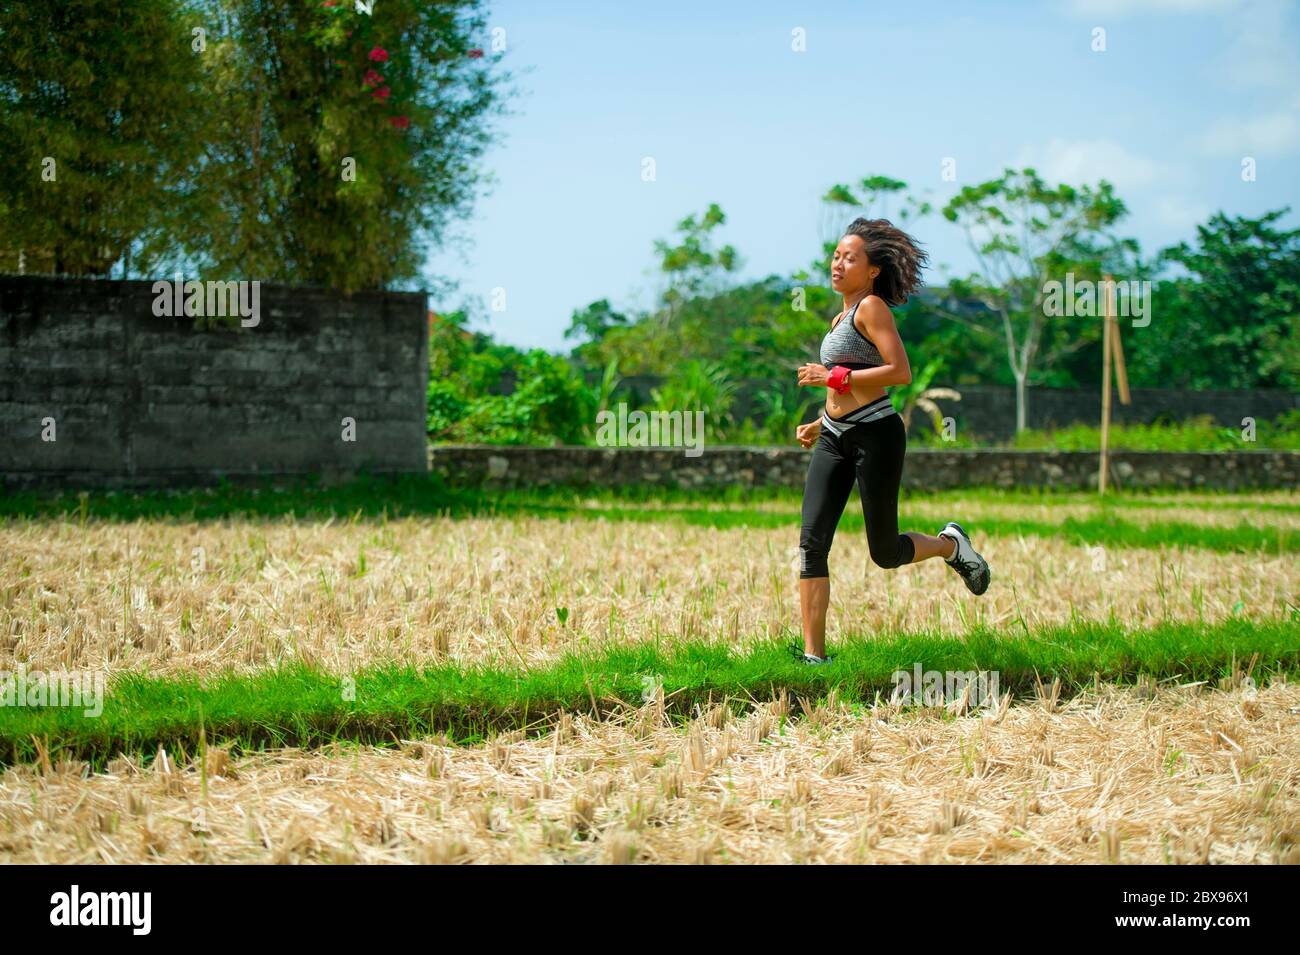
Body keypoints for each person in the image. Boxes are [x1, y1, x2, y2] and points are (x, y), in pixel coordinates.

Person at [793, 217, 990, 665]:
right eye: (837, 256)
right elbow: (847, 390)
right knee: (811, 543)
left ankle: (950, 545)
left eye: (851, 258)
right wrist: (821, 423)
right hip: (835, 436)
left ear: (873, 270)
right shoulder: (839, 316)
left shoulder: (872, 309)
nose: (838, 264)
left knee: (884, 552)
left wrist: (833, 375)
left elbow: (899, 373)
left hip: (877, 436)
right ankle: (814, 658)